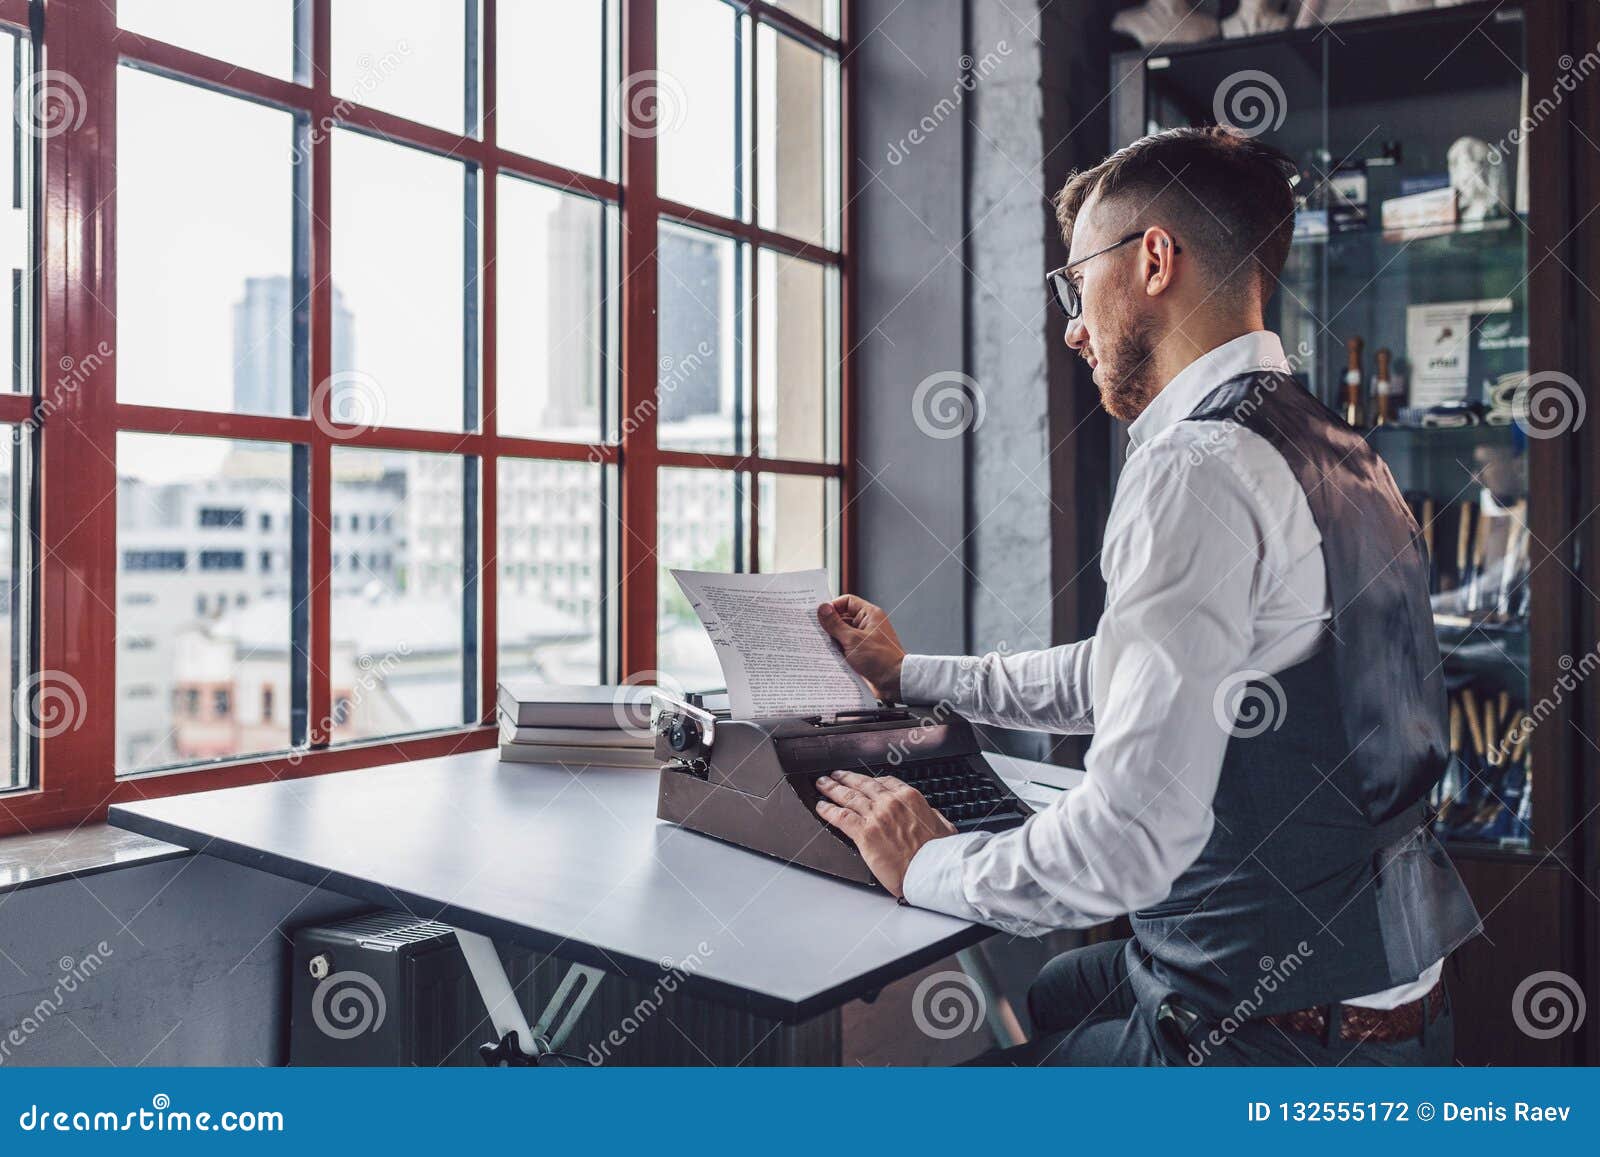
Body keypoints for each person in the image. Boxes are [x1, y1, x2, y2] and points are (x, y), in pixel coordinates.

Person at [811, 126, 1481, 1065]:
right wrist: (912, 670)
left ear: (1153, 259)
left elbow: (1127, 843)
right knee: (1052, 991)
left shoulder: (1196, 466)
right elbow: (1144, 670)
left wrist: (926, 858)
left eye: (1076, 285)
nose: (1074, 326)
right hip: (1390, 980)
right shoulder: (1337, 447)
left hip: (1277, 1037)